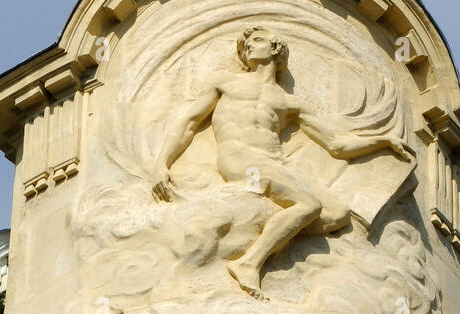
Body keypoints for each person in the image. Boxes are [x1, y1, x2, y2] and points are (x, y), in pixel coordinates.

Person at [152, 26, 415, 296]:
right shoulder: (225, 82)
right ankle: (248, 263)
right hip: (240, 156)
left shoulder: (288, 102)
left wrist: (382, 141)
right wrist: (162, 163)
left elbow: (337, 145)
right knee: (309, 205)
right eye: (245, 47)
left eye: (256, 41)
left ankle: (272, 229)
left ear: (275, 48)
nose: (247, 48)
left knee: (338, 214)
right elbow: (189, 123)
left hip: (275, 161)